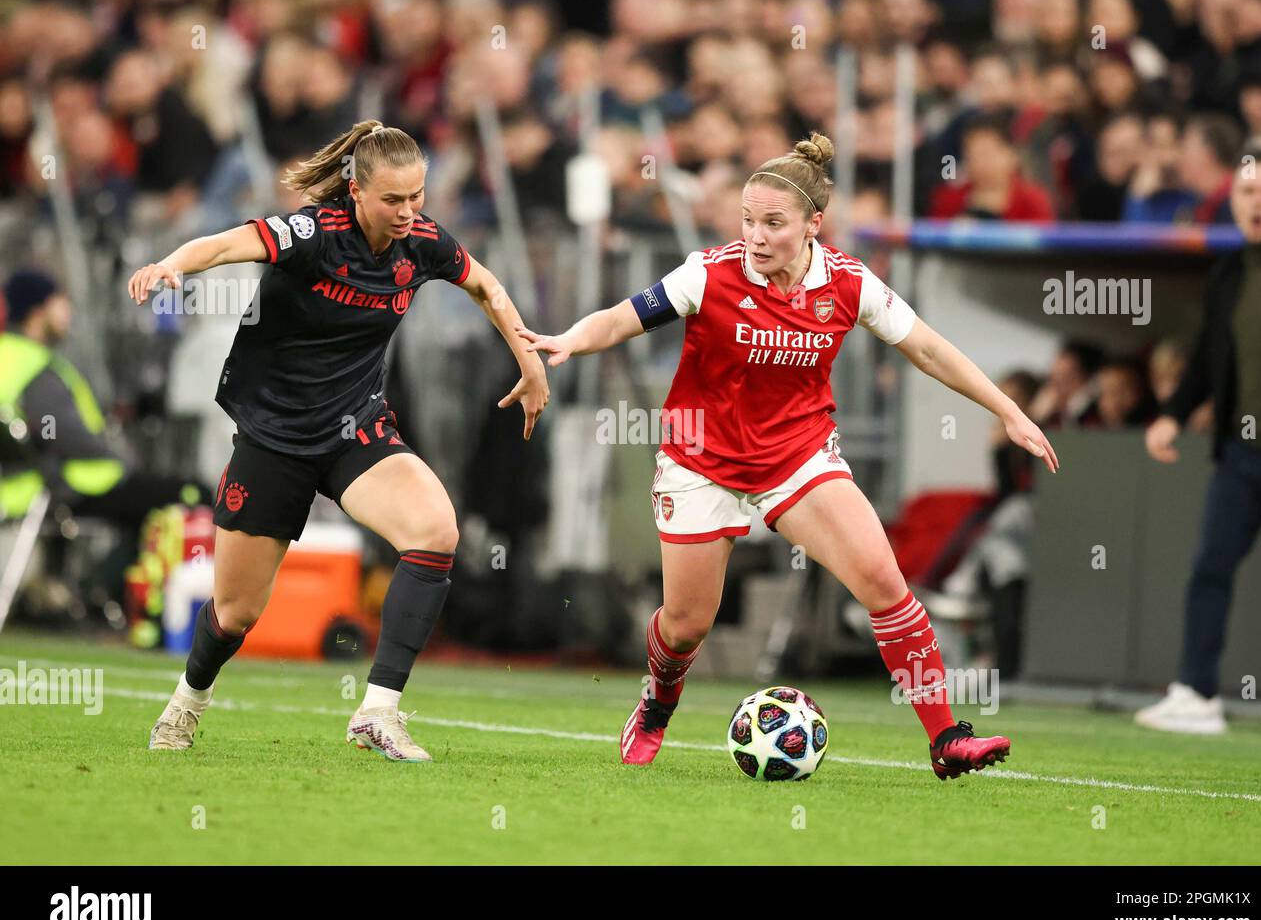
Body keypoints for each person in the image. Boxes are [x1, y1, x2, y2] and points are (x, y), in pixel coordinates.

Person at [520, 132, 1059, 780]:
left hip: (798, 456)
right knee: (688, 624)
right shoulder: (710, 273)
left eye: (773, 222)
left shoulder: (849, 284)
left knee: (885, 583)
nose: (755, 234)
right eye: (748, 219)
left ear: (813, 225)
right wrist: (570, 342)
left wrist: (1006, 407)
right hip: (701, 459)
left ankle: (947, 738)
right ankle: (659, 699)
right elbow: (624, 316)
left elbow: (929, 348)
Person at [127, 120, 549, 760]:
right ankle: (187, 701)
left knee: (435, 529)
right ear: (355, 190)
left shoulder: (424, 244)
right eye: (393, 200)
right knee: (237, 612)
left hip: (356, 429)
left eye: (418, 197)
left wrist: (530, 359)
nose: (409, 213)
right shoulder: (313, 234)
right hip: (274, 437)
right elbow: (223, 245)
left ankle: (378, 711)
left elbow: (486, 285)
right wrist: (169, 266)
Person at [1140, 148, 1261, 735]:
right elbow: (1210, 358)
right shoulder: (1229, 271)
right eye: (1249, 193)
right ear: (1233, 200)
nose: (1258, 204)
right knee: (1210, 568)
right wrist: (1172, 416)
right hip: (1242, 455)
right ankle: (1197, 693)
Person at [0, 270, 206, 611]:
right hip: (67, 485)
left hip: (18, 484)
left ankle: (98, 595)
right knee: (190, 492)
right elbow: (58, 434)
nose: (68, 312)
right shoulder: (37, 365)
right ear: (38, 311)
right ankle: (122, 599)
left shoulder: (7, 355)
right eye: (60, 302)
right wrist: (115, 452)